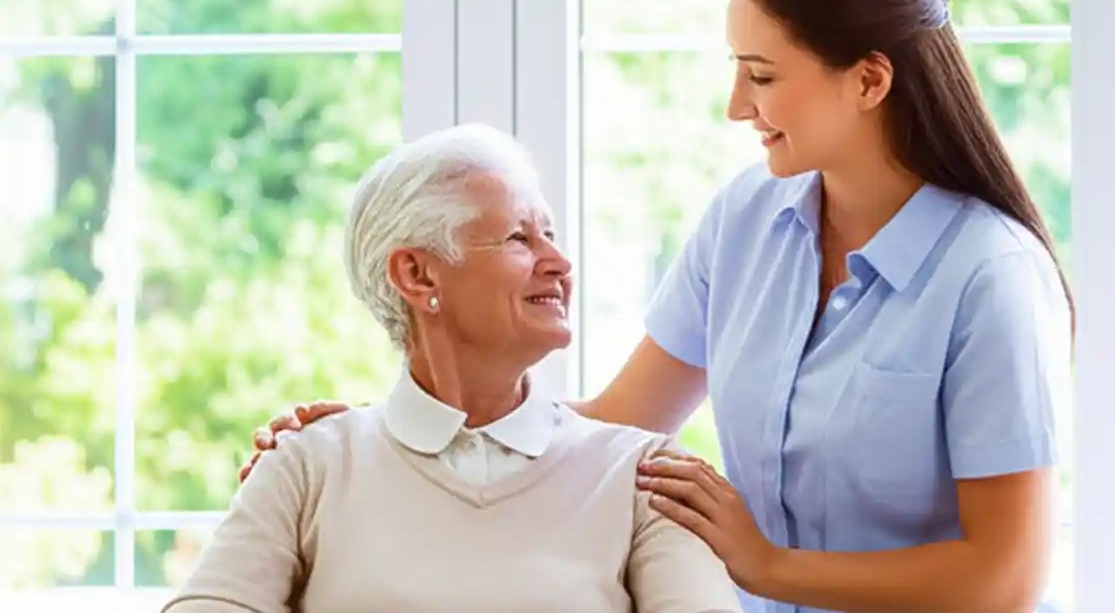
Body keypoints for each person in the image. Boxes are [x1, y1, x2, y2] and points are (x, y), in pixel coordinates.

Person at [244, 0, 1072, 613]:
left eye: (762, 76)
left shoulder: (989, 275)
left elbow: (1005, 576)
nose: (737, 106)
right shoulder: (747, 220)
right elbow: (606, 429)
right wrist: (378, 443)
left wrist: (771, 566)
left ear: (868, 80)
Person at [164, 123, 742, 612]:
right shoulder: (306, 464)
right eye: (519, 238)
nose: (559, 263)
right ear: (417, 275)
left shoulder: (646, 478)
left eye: (550, 235)